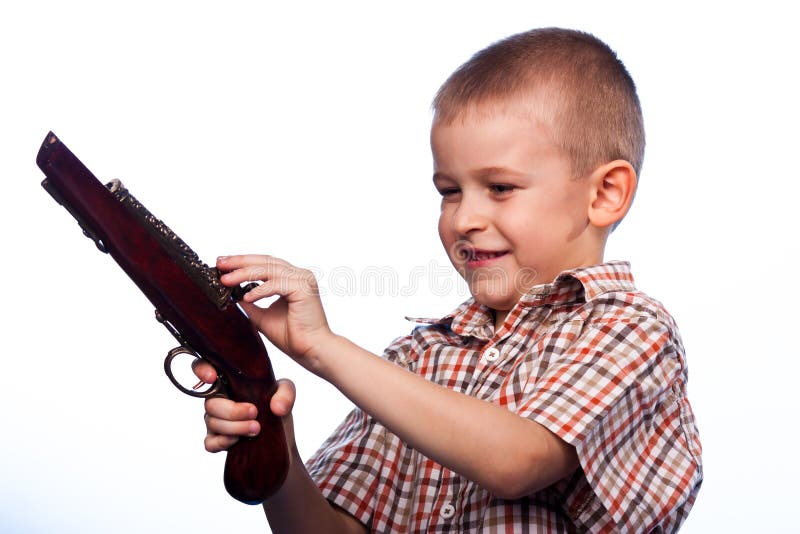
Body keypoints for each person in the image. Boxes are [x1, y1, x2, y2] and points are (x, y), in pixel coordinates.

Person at [195, 27, 703, 532]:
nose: (463, 220)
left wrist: (322, 349)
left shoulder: (633, 330)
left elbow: (516, 459)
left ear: (605, 194)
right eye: (450, 191)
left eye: (500, 187)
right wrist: (276, 453)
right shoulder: (416, 360)